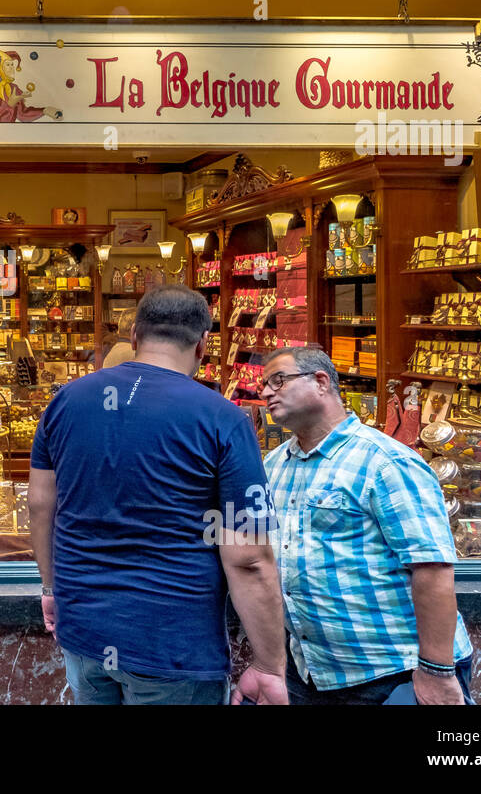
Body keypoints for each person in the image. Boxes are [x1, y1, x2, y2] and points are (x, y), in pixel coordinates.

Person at [29, 284, 288, 705]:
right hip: (174, 648)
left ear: (134, 336)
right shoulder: (224, 419)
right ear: (203, 344)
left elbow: (41, 506)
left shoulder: (65, 402)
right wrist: (269, 666)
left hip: (85, 634)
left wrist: (49, 588)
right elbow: (250, 559)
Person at [257, 346, 473, 705]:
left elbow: (433, 568)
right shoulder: (274, 464)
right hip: (311, 669)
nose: (266, 392)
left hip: (391, 672)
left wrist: (436, 671)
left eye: (278, 381)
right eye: (264, 384)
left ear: (322, 382)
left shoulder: (387, 462)